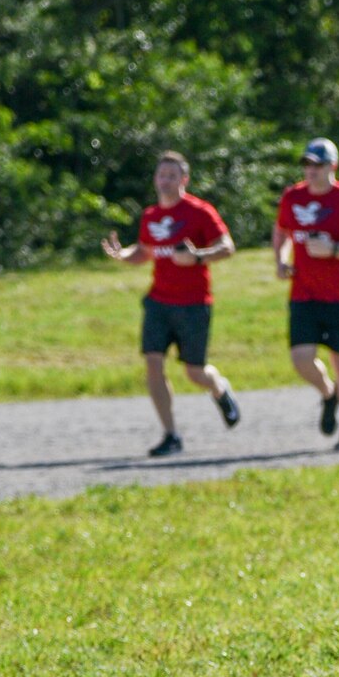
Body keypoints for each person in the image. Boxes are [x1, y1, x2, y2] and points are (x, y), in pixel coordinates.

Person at [102, 150, 240, 457]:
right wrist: (123, 255)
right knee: (153, 363)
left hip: (193, 304)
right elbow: (145, 251)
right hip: (158, 302)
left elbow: (227, 247)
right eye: (161, 175)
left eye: (172, 176)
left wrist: (198, 256)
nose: (165, 181)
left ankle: (219, 389)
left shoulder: (199, 212)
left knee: (195, 372)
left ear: (184, 180)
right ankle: (171, 434)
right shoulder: (151, 216)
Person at [272, 137, 339, 454]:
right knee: (300, 359)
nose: (311, 170)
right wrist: (281, 258)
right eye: (307, 164)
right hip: (304, 292)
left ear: (333, 166)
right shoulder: (293, 197)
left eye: (317, 165)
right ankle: (329, 393)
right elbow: (282, 231)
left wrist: (333, 249)